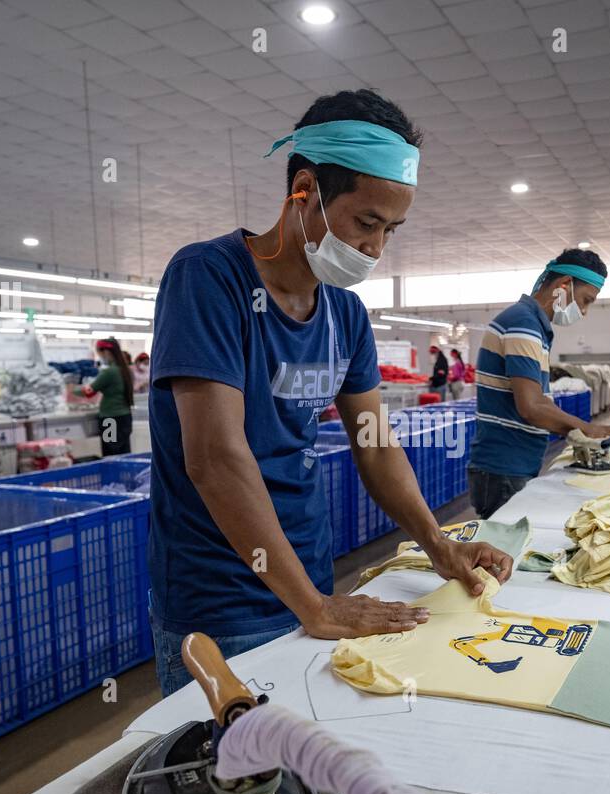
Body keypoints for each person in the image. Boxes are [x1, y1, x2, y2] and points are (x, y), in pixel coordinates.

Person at [147, 89, 513, 697]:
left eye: (391, 230)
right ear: (304, 191)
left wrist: (439, 544)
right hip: (221, 595)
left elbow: (373, 444)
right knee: (240, 771)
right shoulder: (208, 278)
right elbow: (214, 457)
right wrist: (312, 605)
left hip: (307, 573)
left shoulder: (344, 313)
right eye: (366, 222)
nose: (375, 247)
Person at [467, 248, 610, 519]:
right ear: (563, 287)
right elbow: (531, 405)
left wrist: (581, 432)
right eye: (586, 301)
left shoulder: (532, 325)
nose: (584, 312)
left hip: (512, 464)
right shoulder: (522, 323)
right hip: (504, 467)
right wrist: (587, 429)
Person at [73, 337, 134, 456]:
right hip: (125, 417)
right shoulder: (126, 370)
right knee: (123, 453)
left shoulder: (109, 372)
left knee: (110, 454)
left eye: (99, 353)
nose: (100, 356)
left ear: (106, 352)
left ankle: (112, 475)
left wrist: (71, 389)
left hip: (110, 420)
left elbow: (89, 392)